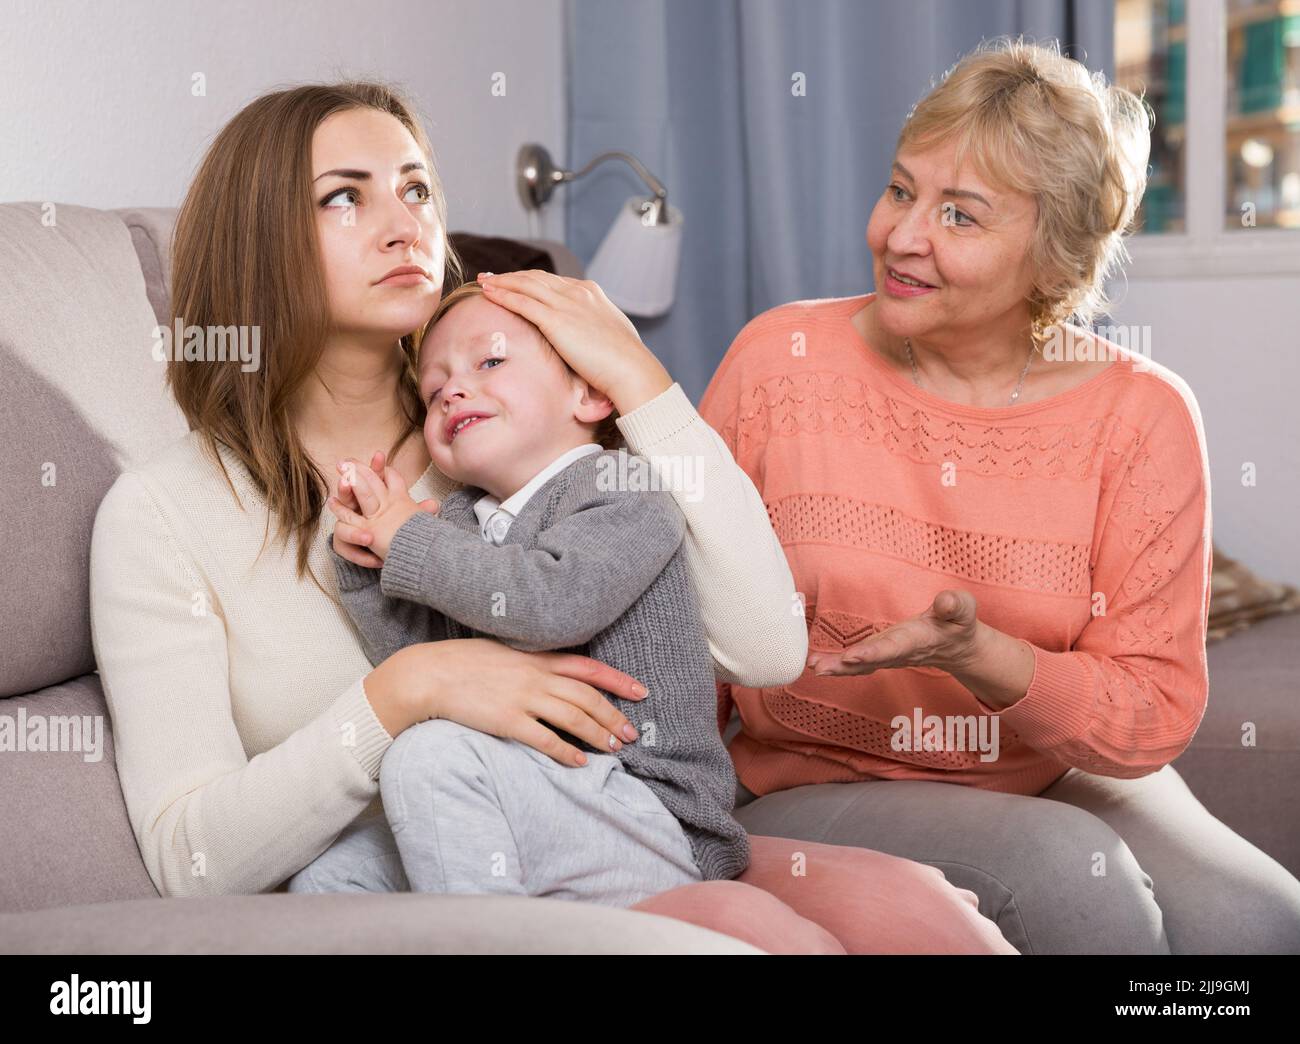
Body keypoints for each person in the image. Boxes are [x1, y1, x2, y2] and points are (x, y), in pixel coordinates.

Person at [88, 80, 1015, 953]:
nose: (402, 221)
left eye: (415, 187)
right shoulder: (163, 516)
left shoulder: (506, 437)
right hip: (400, 884)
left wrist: (643, 386)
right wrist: (410, 691)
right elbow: (187, 858)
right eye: (345, 197)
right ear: (254, 246)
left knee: (928, 921)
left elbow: (766, 648)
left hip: (611, 829)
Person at [644, 36, 1300, 954]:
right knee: (1075, 885)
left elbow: (1150, 711)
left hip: (1047, 767)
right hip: (815, 777)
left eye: (961, 216)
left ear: (1056, 257)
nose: (903, 236)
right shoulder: (780, 361)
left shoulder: (1141, 415)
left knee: (1258, 925)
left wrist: (988, 659)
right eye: (902, 190)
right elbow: (678, 618)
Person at [288, 280, 748, 904]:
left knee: (427, 758)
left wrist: (409, 541)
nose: (452, 389)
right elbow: (427, 658)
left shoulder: (624, 488)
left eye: (491, 361)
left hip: (650, 815)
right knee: (330, 877)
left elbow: (551, 605)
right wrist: (372, 565)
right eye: (432, 390)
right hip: (527, 798)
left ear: (587, 393)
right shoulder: (460, 525)